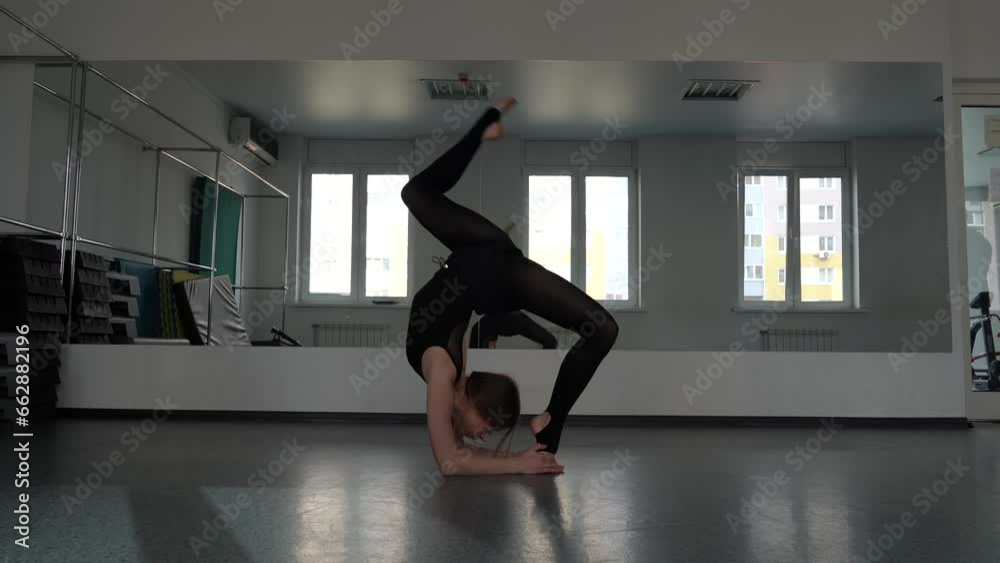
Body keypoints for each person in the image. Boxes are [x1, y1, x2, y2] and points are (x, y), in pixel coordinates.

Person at [402, 96, 619, 477]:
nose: (486, 435)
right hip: (489, 267)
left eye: (486, 426)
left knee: (414, 193)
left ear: (467, 403)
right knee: (602, 328)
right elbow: (457, 456)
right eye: (491, 428)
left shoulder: (441, 375)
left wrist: (520, 460)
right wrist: (519, 461)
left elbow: (451, 462)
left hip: (482, 262)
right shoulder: (455, 375)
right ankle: (551, 425)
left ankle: (485, 125)